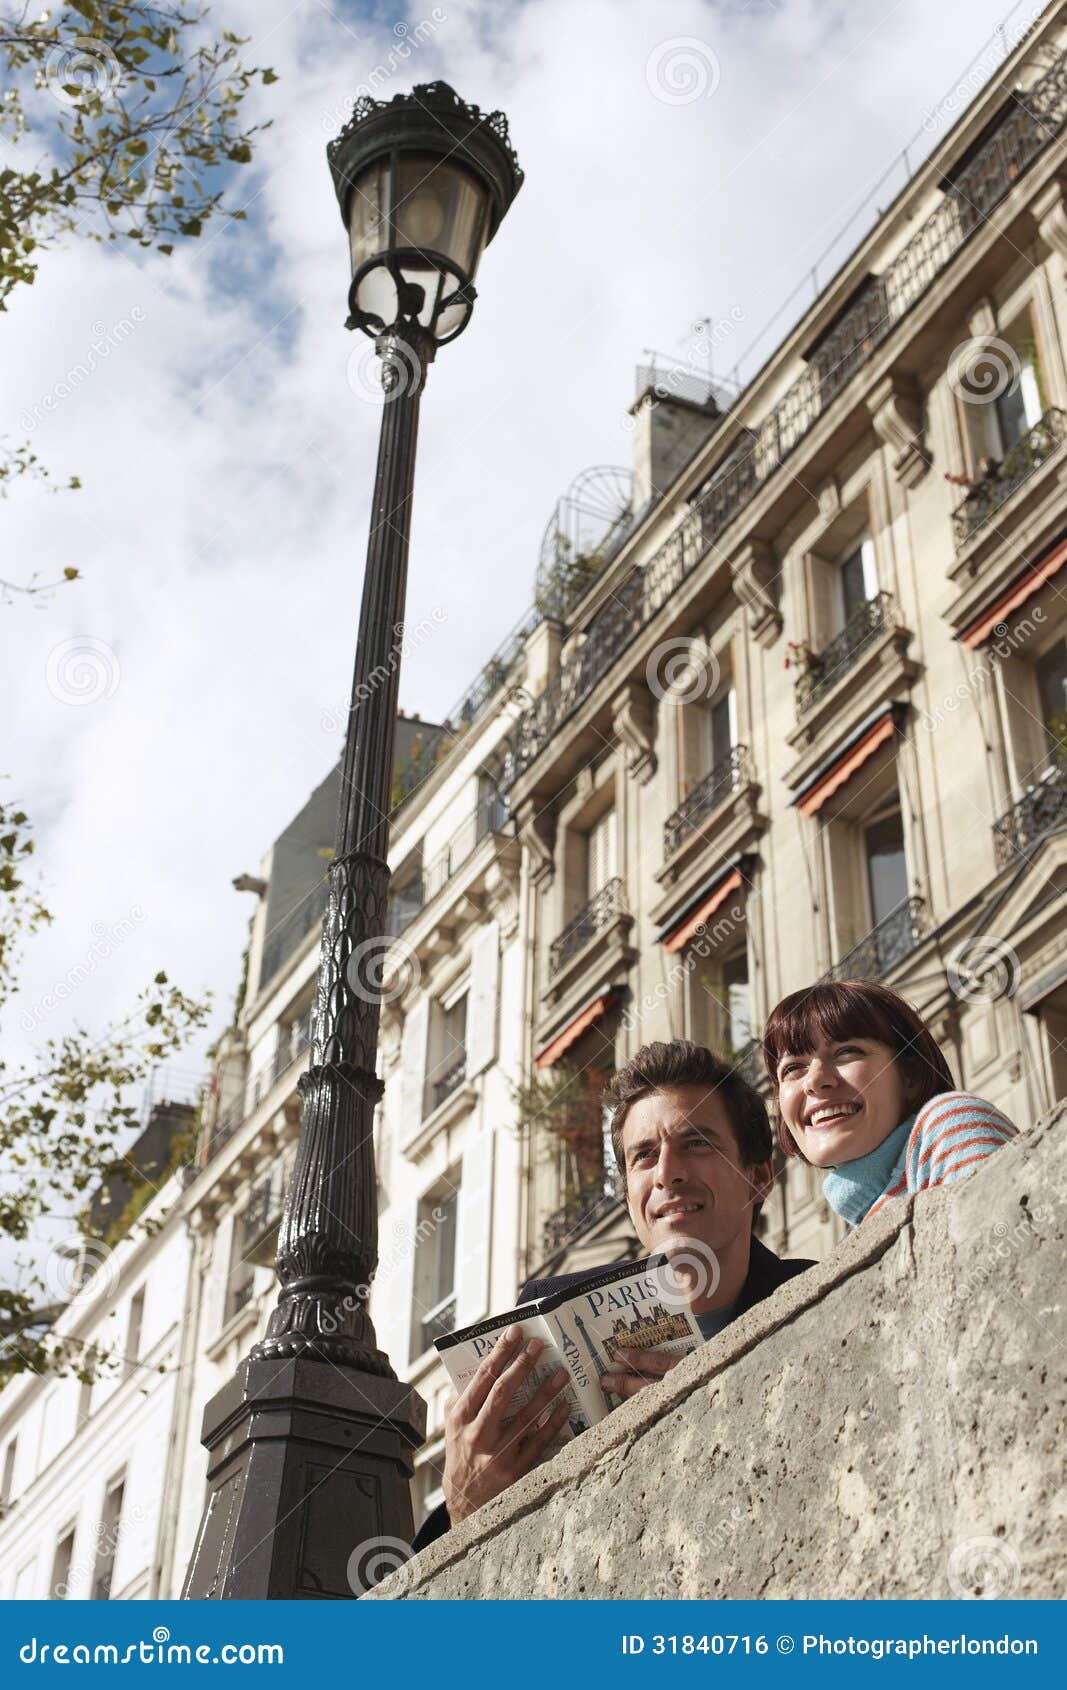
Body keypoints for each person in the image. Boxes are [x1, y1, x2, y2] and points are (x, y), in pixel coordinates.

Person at [410, 1038, 813, 1552]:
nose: (668, 1172)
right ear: (628, 1197)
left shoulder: (812, 1295)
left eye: (697, 1144)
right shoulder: (543, 1316)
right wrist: (463, 1506)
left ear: (758, 1177)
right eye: (644, 1156)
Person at [763, 978, 1019, 1228]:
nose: (815, 1081)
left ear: (910, 1076)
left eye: (847, 1052)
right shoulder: (866, 1212)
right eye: (793, 1068)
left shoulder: (951, 1121)